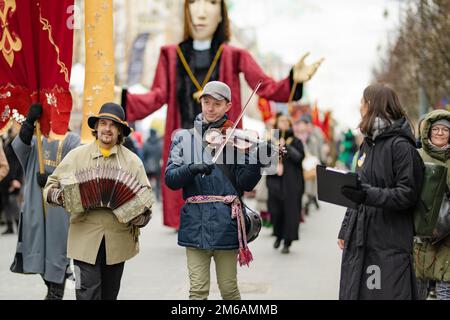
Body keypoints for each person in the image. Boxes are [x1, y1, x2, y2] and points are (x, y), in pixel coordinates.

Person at [123, 0, 323, 230]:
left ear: (221, 13)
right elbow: (155, 97)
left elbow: (265, 86)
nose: (201, 11)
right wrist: (119, 98)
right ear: (186, 10)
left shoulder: (234, 54)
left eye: (211, 2)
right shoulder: (170, 54)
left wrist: (293, 81)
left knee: (226, 183)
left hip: (225, 140)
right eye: (194, 2)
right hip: (188, 135)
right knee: (188, 177)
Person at [165, 81, 265, 300]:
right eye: (206, 102)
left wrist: (256, 159)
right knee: (197, 290)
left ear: (228, 106)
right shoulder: (183, 138)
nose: (210, 108)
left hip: (226, 223)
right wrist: (192, 168)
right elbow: (170, 179)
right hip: (195, 222)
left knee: (229, 290)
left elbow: (246, 183)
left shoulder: (237, 139)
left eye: (217, 104)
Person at [43, 102, 153, 300]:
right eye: (103, 123)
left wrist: (138, 215)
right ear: (96, 127)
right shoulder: (76, 156)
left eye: (113, 125)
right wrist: (61, 196)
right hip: (83, 240)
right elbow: (50, 187)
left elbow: (146, 203)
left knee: (110, 295)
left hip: (118, 241)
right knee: (87, 295)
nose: (107, 129)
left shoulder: (132, 161)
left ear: (120, 131)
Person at [338, 83, 424, 300]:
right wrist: (345, 229)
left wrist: (368, 194)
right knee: (362, 293)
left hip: (389, 242)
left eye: (362, 101)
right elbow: (358, 189)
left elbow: (407, 194)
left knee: (384, 294)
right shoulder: (367, 144)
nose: (359, 106)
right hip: (361, 238)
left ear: (372, 105)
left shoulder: (402, 147)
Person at [9, 103, 80, 299]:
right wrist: (29, 122)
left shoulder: (72, 140)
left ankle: (55, 292)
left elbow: (77, 169)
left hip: (59, 211)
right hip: (36, 206)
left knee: (57, 255)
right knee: (38, 251)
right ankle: (52, 291)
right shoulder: (36, 138)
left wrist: (50, 179)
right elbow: (19, 148)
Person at [413, 109, 450, 300]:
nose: (440, 133)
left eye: (445, 129)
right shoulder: (416, 156)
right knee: (417, 286)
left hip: (447, 237)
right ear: (428, 131)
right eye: (436, 129)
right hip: (419, 236)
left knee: (446, 287)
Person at [266, 113, 305, 254]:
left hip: (291, 183)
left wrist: (286, 147)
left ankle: (287, 241)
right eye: (280, 121)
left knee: (290, 212)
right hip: (275, 181)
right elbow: (265, 161)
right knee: (275, 211)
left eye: (285, 122)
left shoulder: (295, 141)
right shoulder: (271, 140)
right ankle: (278, 235)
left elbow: (299, 157)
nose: (283, 124)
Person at [0, 125, 23, 235]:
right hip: (6, 178)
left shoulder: (16, 143)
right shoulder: (6, 140)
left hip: (14, 177)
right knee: (6, 202)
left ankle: (19, 225)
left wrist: (16, 179)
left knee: (13, 202)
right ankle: (10, 226)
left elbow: (18, 163)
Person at [143, 128, 163, 201]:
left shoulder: (146, 143)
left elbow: (144, 155)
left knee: (148, 183)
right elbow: (161, 154)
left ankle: (148, 199)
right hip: (157, 166)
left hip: (148, 166)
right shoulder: (160, 143)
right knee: (158, 182)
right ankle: (158, 197)